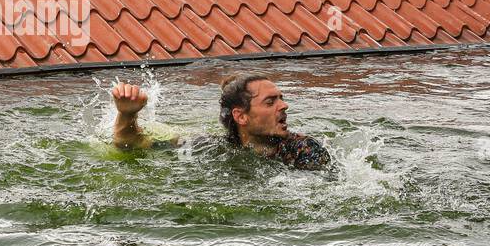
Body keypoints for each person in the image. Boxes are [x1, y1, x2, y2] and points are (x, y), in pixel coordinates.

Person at [109, 73, 330, 170]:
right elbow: (128, 144)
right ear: (240, 116)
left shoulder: (304, 150)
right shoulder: (207, 148)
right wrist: (127, 114)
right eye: (270, 102)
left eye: (281, 99)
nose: (284, 106)